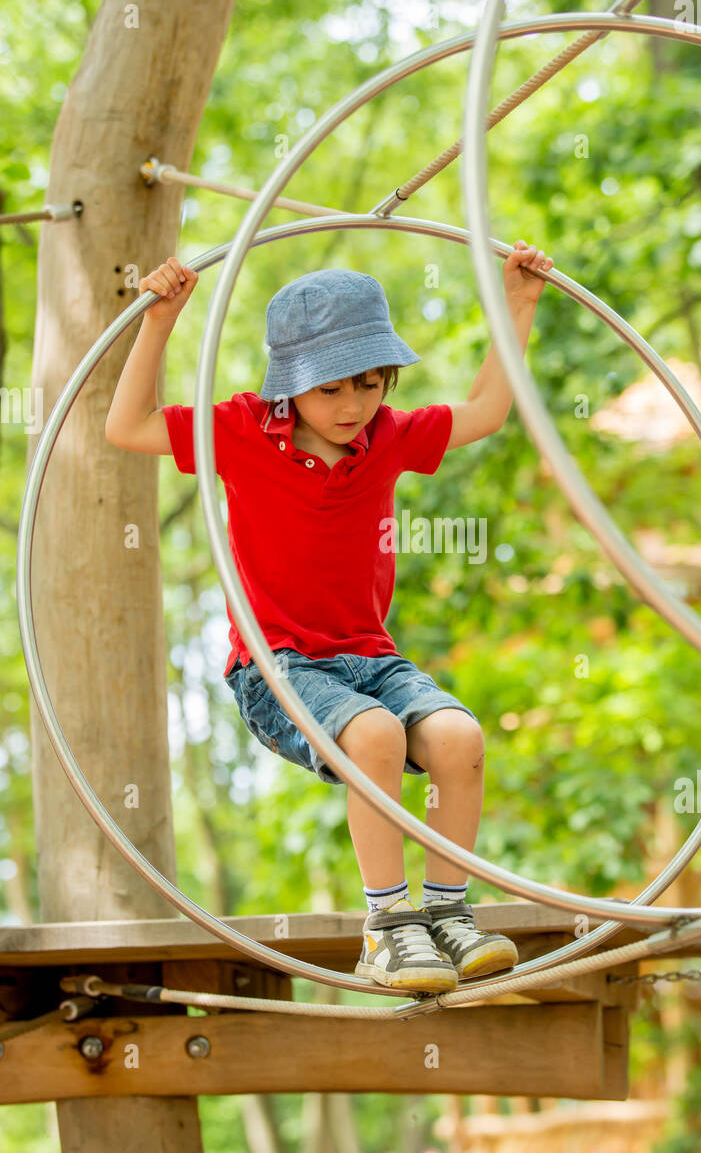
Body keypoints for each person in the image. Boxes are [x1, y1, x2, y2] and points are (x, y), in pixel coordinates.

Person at [105, 241, 554, 993]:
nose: (353, 407)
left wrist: (520, 303)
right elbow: (128, 425)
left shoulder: (388, 438)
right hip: (277, 668)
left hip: (369, 659)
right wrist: (160, 322)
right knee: (375, 735)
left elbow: (485, 411)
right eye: (331, 390)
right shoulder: (244, 430)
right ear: (291, 387)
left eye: (370, 384)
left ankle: (446, 915)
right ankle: (386, 929)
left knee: (458, 736)